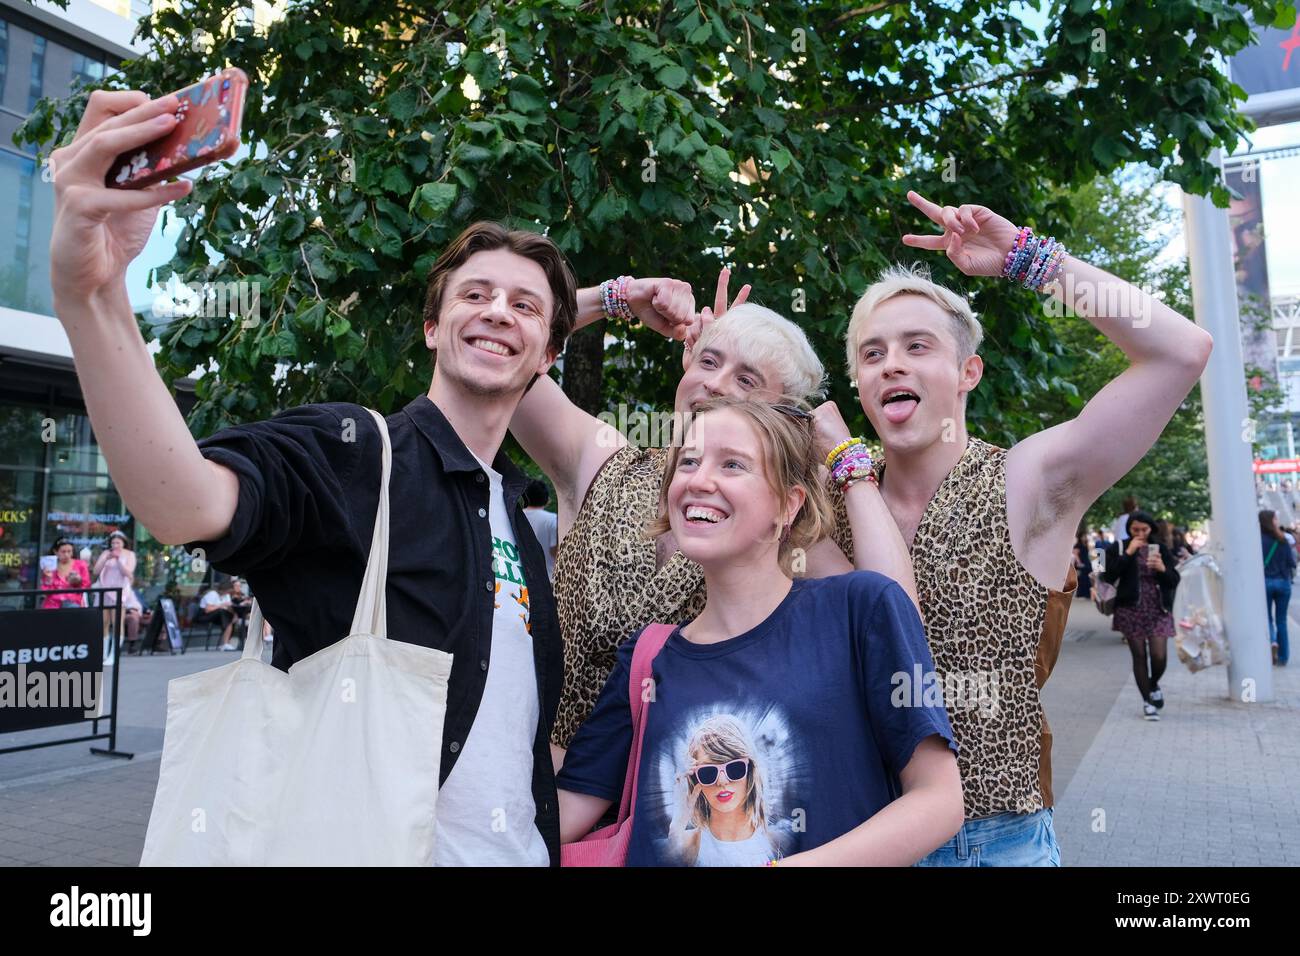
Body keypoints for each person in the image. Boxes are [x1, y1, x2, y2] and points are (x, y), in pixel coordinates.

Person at [45, 88, 632, 865]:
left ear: (549, 354)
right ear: (432, 326)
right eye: (476, 295)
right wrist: (93, 297)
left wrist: (612, 299)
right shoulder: (358, 453)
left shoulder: (519, 516)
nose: (499, 312)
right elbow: (182, 501)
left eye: (526, 306)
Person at [818, 190, 1212, 863]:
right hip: (852, 835)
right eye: (873, 354)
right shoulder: (831, 498)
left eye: (918, 346)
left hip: (996, 843)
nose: (892, 364)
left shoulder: (1024, 482)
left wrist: (1032, 261)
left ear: (968, 371)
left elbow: (1181, 352)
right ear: (857, 382)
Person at [512, 273, 918, 763]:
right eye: (708, 361)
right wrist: (618, 298)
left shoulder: (774, 526)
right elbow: (509, 349)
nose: (717, 384)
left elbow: (895, 621)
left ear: (781, 417)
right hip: (528, 788)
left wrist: (847, 459)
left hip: (685, 807)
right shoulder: (600, 460)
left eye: (746, 380)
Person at [557, 398, 962, 865]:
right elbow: (567, 811)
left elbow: (940, 800)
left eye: (733, 464)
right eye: (687, 461)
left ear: (788, 505)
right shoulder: (647, 658)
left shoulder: (861, 610)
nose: (699, 479)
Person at [1103, 511, 1180, 719]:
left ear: (1151, 529)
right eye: (1135, 529)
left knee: (1159, 656)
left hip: (1157, 608)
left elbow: (1174, 580)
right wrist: (1128, 553)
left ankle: (1153, 684)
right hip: (1130, 609)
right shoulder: (1118, 547)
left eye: (1144, 529)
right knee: (1139, 656)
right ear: (1129, 529)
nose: (1139, 533)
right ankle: (1147, 702)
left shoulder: (1161, 548)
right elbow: (1107, 575)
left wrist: (1163, 569)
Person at [92, 530, 143, 653]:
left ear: (123, 543)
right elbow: (96, 571)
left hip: (120, 592)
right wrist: (105, 559)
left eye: (118, 543)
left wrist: (119, 560)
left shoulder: (129, 554)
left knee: (117, 622)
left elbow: (128, 573)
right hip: (105, 590)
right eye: (113, 543)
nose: (115, 545)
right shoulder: (106, 553)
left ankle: (114, 652)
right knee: (104, 622)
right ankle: (104, 651)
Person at [1260, 509, 1295, 667]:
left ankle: (1272, 641)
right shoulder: (1283, 540)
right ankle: (1283, 657)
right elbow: (1292, 563)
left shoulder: (1257, 540)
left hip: (1265, 582)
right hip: (1283, 583)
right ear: (1272, 521)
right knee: (1282, 620)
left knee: (1267, 617)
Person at [522, 479, 559, 581]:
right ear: (546, 499)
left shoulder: (517, 516)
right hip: (547, 577)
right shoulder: (552, 519)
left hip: (521, 578)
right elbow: (554, 552)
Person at [39, 538, 91, 609]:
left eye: (69, 551)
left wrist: (78, 581)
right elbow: (45, 591)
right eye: (63, 552)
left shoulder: (80, 564)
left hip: (73, 603)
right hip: (52, 605)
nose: (66, 555)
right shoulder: (50, 565)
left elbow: (86, 585)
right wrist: (48, 579)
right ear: (56, 552)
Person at [195, 582, 238, 650]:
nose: (229, 593)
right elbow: (208, 609)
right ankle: (226, 643)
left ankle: (226, 643)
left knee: (230, 617)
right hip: (204, 616)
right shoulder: (213, 594)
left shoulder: (226, 596)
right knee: (222, 612)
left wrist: (234, 614)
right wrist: (222, 605)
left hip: (218, 616)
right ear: (225, 589)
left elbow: (228, 608)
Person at [1073, 531, 1093, 601]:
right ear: (1080, 537)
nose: (1085, 537)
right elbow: (1075, 554)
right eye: (1084, 536)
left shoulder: (1085, 544)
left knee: (1089, 576)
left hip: (1087, 562)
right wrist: (1079, 562)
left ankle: (1088, 593)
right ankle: (1082, 593)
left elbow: (1089, 553)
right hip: (1081, 563)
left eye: (1085, 536)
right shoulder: (1078, 545)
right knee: (1083, 577)